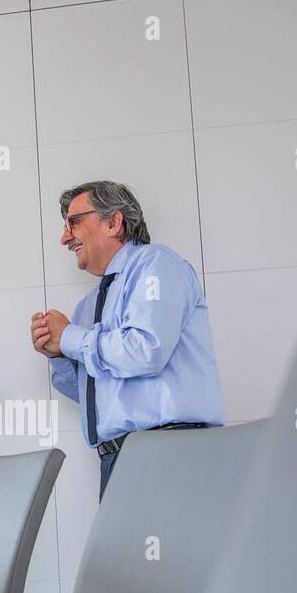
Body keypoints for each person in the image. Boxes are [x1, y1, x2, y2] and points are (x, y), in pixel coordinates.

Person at [31, 180, 225, 500]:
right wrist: (58, 354)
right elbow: (95, 392)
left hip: (167, 451)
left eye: (74, 222)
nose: (65, 237)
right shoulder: (87, 307)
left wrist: (68, 337)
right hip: (117, 459)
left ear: (113, 222)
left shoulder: (156, 264)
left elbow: (146, 351)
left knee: (173, 550)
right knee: (126, 553)